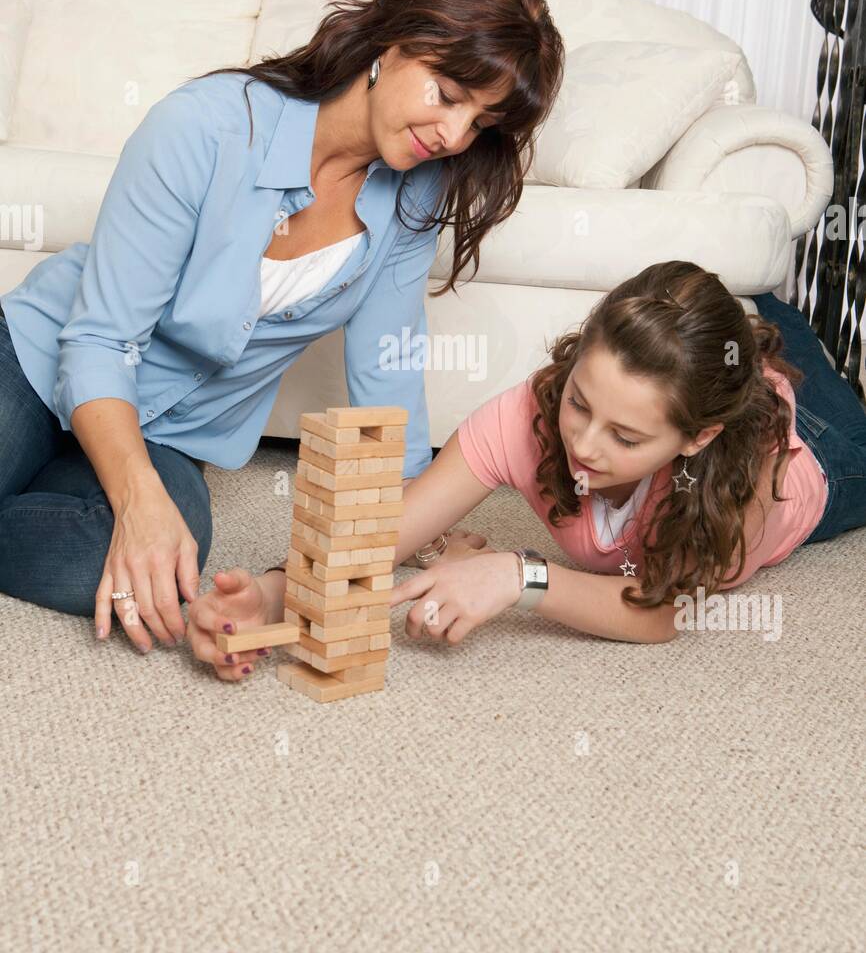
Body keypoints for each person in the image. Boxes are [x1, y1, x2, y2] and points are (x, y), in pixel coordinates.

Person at [0, 0, 566, 657]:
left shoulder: (416, 193)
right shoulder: (205, 128)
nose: (454, 136)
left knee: (152, 573)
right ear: (390, 44)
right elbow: (99, 343)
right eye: (448, 93)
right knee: (137, 524)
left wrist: (423, 526)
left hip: (170, 431)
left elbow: (387, 373)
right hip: (38, 358)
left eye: (480, 123)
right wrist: (138, 501)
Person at [187, 259, 866, 674]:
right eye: (579, 401)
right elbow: (387, 530)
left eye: (625, 437)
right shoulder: (526, 416)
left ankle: (777, 321)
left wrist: (519, 576)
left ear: (694, 438)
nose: (586, 446)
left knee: (814, 362)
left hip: (830, 455)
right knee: (756, 336)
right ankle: (762, 326)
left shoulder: (739, 467)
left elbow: (661, 611)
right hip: (718, 381)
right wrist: (277, 594)